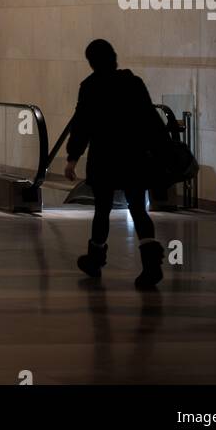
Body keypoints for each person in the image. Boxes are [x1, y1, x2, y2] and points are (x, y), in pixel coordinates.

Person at [64, 39, 169, 288]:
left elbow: (82, 125)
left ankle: (95, 258)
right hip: (134, 157)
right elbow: (150, 120)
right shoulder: (133, 83)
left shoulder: (90, 88)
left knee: (102, 209)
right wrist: (162, 153)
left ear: (91, 63)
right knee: (138, 210)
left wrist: (72, 157)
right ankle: (151, 264)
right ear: (114, 57)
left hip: (104, 158)